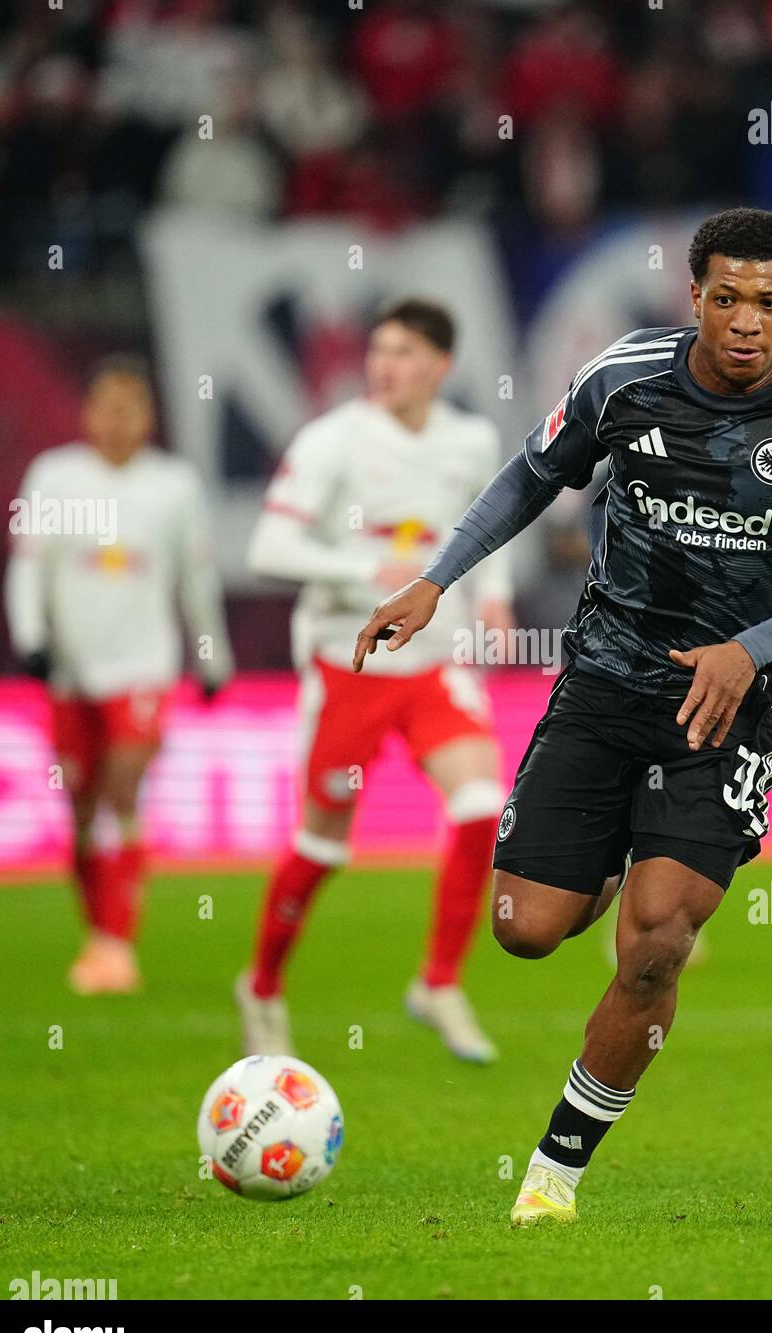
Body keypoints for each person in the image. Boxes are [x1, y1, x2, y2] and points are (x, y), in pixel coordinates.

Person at [354, 208, 772, 1223]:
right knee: (525, 930)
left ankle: (554, 1173)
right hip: (603, 687)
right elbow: (531, 475)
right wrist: (437, 580)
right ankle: (607, 856)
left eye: (768, 304)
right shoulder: (621, 379)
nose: (746, 322)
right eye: (727, 298)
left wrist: (757, 648)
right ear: (694, 296)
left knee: (654, 946)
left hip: (725, 708)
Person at [238, 299, 513, 1063]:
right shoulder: (332, 442)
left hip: (436, 662)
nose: (384, 365)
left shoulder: (471, 440)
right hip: (348, 663)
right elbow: (268, 545)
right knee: (323, 846)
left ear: (440, 366)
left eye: (404, 353)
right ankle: (261, 987)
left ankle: (439, 982)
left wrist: (494, 599)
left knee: (481, 806)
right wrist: (363, 568)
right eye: (379, 350)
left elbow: (493, 527)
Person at [4, 356, 234, 994]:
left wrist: (213, 658)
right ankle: (98, 931)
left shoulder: (173, 486)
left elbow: (196, 577)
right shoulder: (54, 477)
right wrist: (31, 639)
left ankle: (116, 943)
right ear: (87, 414)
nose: (118, 421)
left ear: (148, 418)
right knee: (80, 808)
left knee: (122, 791)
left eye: (131, 408)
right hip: (73, 672)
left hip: (144, 667)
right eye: (107, 407)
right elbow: (28, 565)